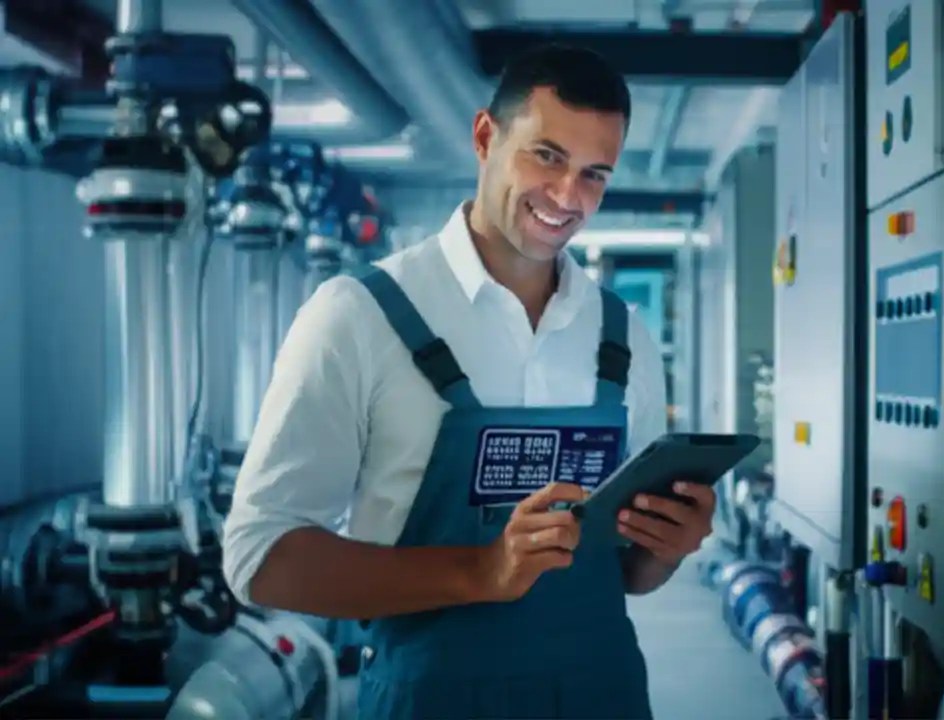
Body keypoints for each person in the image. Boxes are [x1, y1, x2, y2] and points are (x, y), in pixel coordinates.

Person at [220, 44, 716, 719]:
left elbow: (627, 574)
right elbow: (260, 558)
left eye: (594, 174)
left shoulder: (623, 335)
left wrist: (668, 548)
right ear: (485, 137)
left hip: (604, 696)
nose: (568, 197)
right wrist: (482, 570)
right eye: (547, 156)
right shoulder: (359, 316)